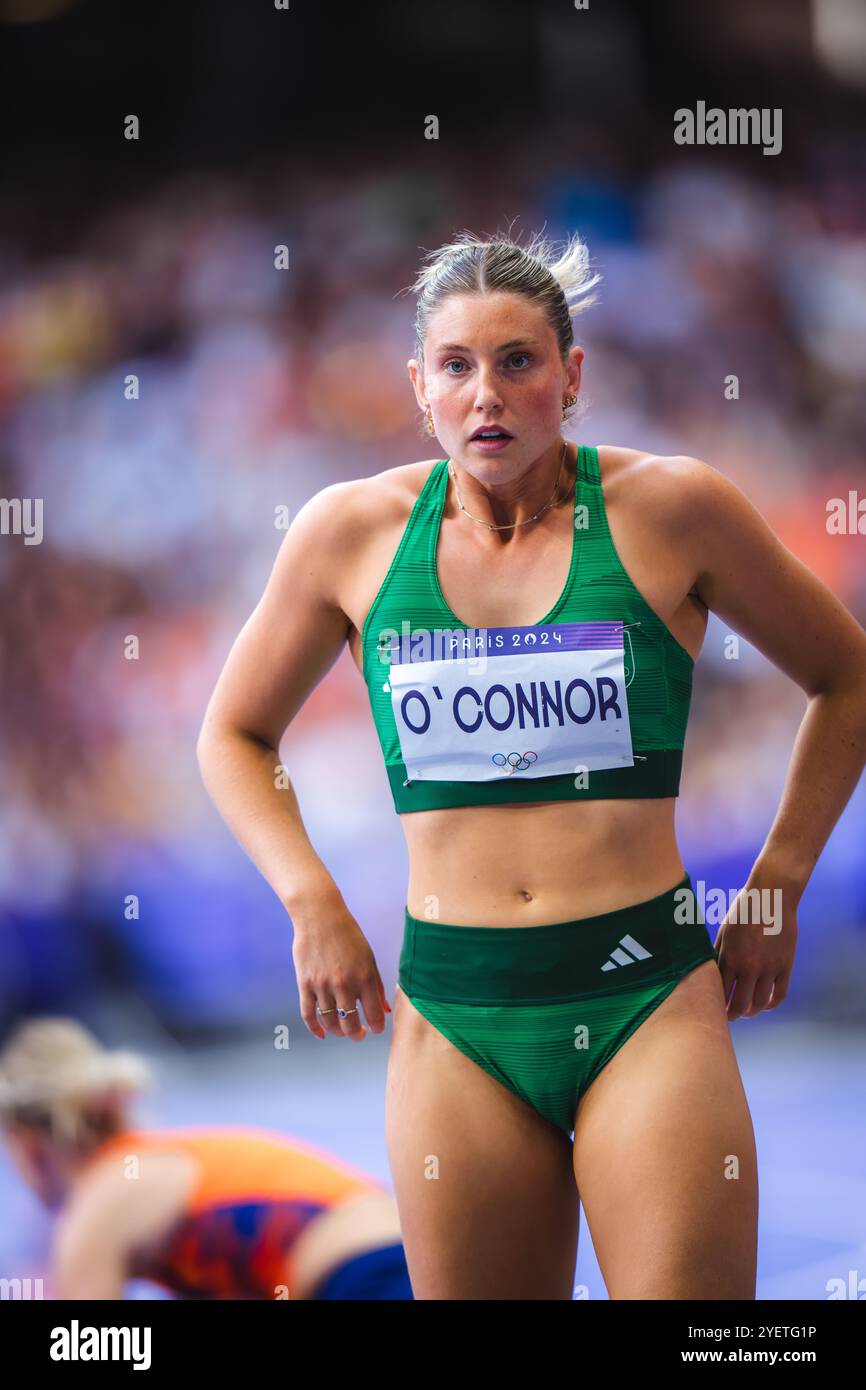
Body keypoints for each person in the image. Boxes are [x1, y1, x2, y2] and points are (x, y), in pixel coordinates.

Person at [196, 229, 866, 1299]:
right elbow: (231, 735)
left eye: (517, 360)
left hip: (644, 994)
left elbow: (846, 675)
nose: (486, 393)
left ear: (572, 374)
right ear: (418, 387)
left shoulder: (670, 509)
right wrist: (309, 897)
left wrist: (777, 879)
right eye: (456, 366)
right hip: (456, 1017)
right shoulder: (347, 533)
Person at [0, 1017, 412, 1299]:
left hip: (365, 1274)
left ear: (28, 1145)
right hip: (403, 1259)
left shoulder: (100, 1200)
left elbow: (90, 1348)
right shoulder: (154, 1165)